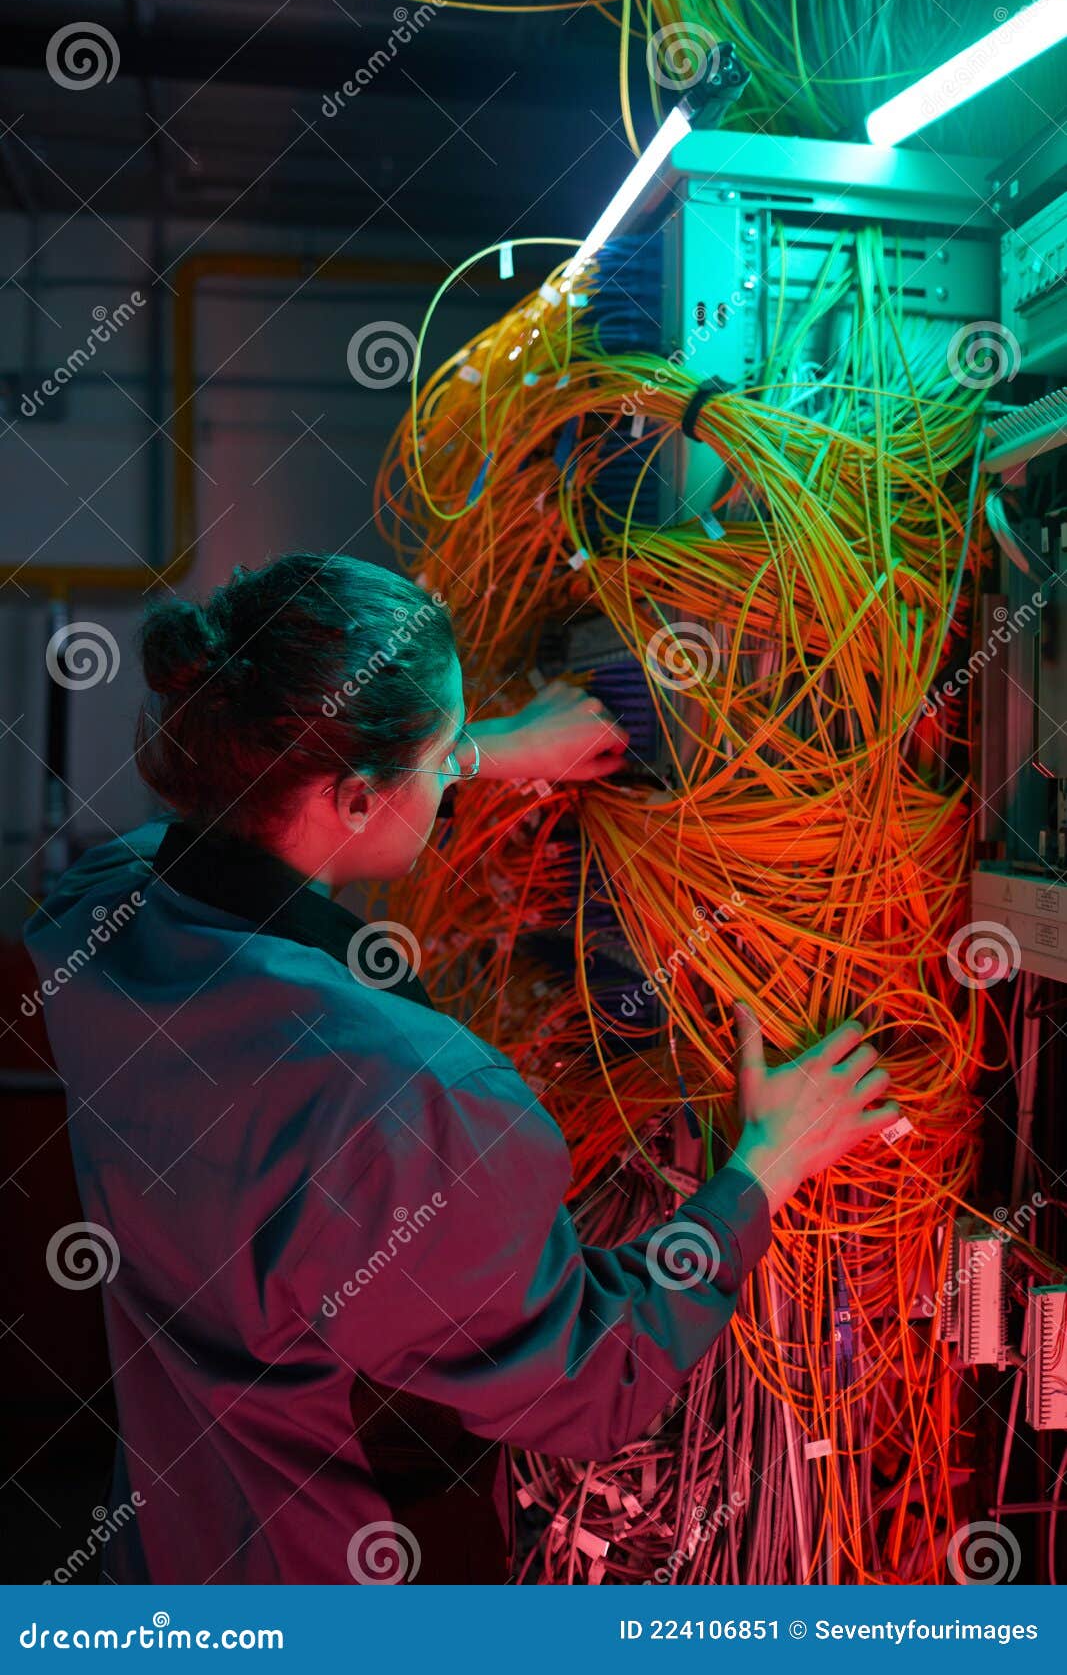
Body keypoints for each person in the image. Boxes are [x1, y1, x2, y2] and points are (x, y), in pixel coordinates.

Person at [23, 552, 895, 1584]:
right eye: (439, 756)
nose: (447, 778)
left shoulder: (92, 924)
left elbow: (200, 836)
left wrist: (478, 751)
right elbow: (588, 1381)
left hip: (162, 1553)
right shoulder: (407, 1095)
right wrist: (766, 1165)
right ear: (355, 795)